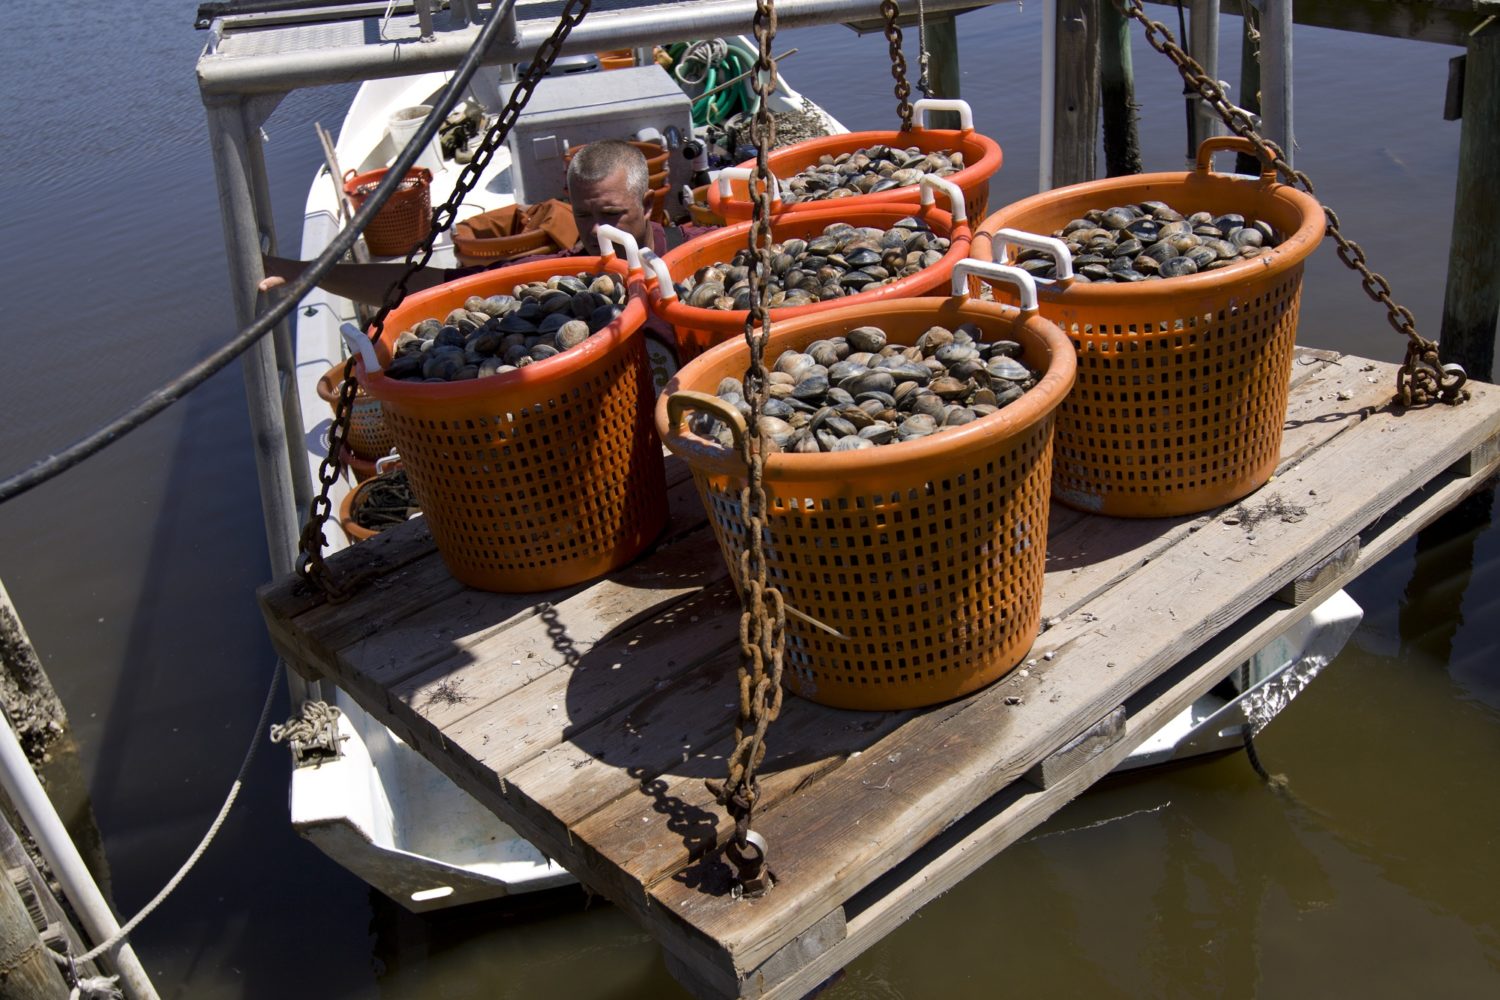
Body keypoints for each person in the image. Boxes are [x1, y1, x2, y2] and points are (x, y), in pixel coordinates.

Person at [260, 139, 681, 304]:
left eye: (611, 215)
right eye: (583, 214)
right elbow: (429, 285)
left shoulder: (689, 249)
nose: (594, 231)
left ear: (646, 205)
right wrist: (306, 275)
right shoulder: (561, 272)